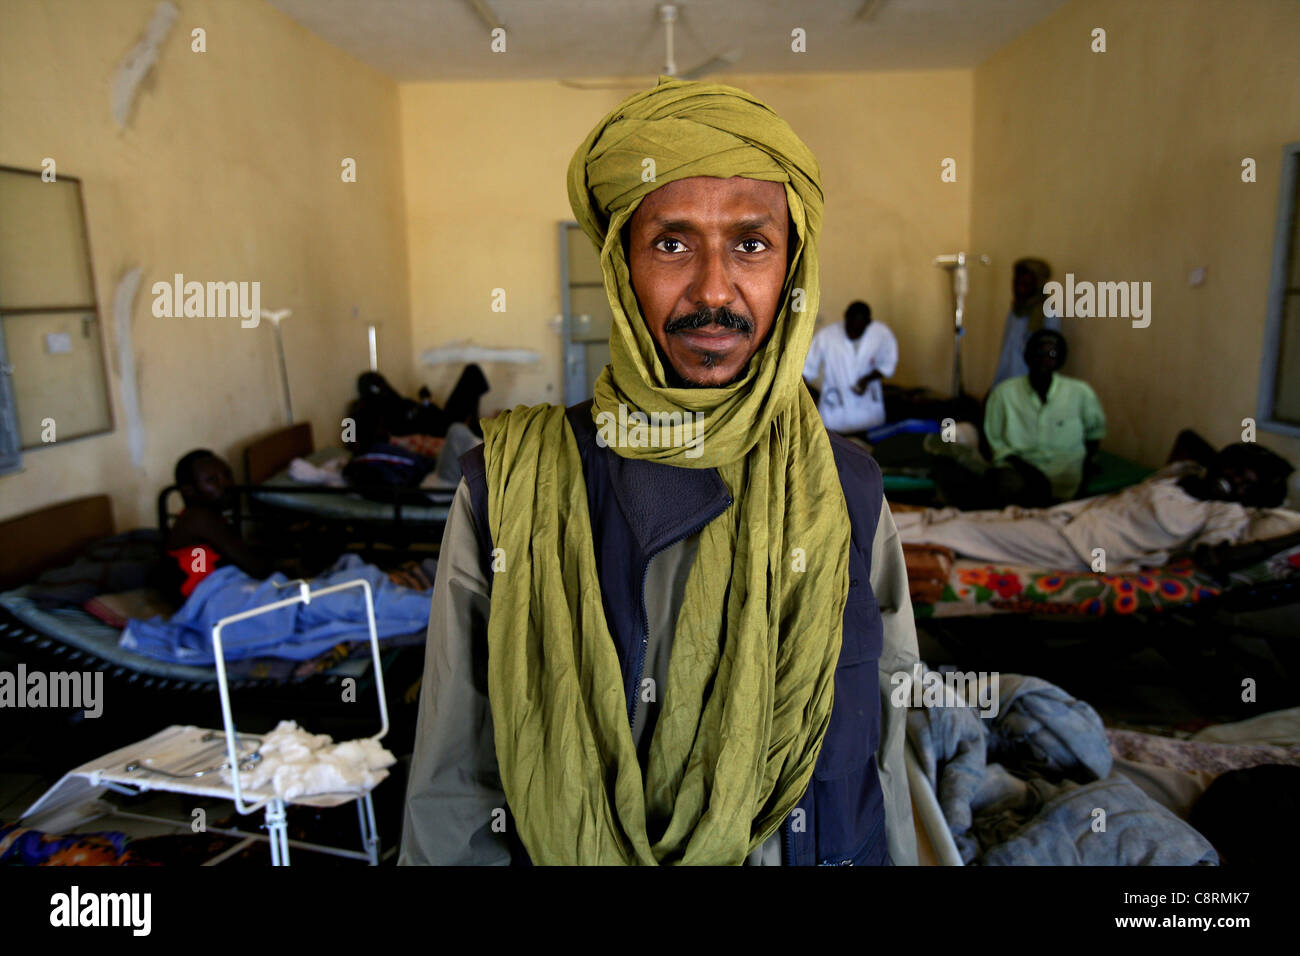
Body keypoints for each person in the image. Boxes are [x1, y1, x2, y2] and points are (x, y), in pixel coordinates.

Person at [400, 78, 920, 866]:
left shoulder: (848, 490)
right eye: (671, 244)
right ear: (621, 269)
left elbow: (888, 749)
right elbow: (453, 790)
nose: (715, 290)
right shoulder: (503, 490)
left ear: (791, 272)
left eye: (752, 244)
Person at [897, 441, 1298, 571]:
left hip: (1084, 548)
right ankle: (878, 523)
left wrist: (1293, 536)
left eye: (1249, 485)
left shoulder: (1224, 514)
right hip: (1068, 516)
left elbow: (1215, 559)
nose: (1237, 480)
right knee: (952, 516)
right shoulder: (1184, 472)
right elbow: (1189, 437)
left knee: (958, 532)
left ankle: (869, 534)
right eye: (1241, 469)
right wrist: (1213, 474)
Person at [934, 329, 1105, 509]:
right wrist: (1027, 470)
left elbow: (1095, 434)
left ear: (1061, 360)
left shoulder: (1080, 393)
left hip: (1065, 477)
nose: (1044, 359)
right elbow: (995, 443)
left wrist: (1084, 471)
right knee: (1001, 485)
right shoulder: (1003, 394)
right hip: (1018, 473)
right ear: (1027, 356)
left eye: (1052, 354)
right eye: (1038, 352)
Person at [164, 449, 271, 601]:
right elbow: (255, 566)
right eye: (212, 480)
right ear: (189, 491)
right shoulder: (200, 518)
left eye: (227, 475)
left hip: (212, 595)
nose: (226, 484)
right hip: (207, 601)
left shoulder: (198, 516)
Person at [802, 300, 899, 434]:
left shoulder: (882, 335)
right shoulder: (826, 336)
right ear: (845, 316)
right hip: (834, 416)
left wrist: (868, 379)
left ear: (868, 323)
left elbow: (888, 365)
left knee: (866, 452)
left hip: (869, 416)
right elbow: (806, 370)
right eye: (850, 327)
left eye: (857, 329)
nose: (852, 332)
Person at [991, 257, 1059, 389]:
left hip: (1028, 390)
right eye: (1016, 283)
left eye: (1026, 284)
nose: (1019, 289)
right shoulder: (1016, 312)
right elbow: (1006, 355)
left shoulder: (1049, 314)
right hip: (1006, 385)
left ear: (1038, 285)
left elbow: (1046, 361)